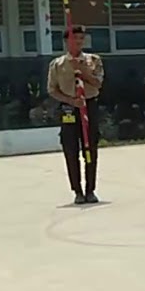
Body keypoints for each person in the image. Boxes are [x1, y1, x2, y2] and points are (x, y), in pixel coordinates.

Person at [46, 25, 104, 204]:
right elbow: (52, 90)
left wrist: (83, 71)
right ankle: (77, 190)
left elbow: (98, 83)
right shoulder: (57, 64)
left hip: (89, 106)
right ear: (66, 41)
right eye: (74, 39)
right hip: (69, 108)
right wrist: (71, 101)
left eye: (81, 39)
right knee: (70, 149)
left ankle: (90, 189)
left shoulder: (93, 60)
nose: (78, 42)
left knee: (90, 148)